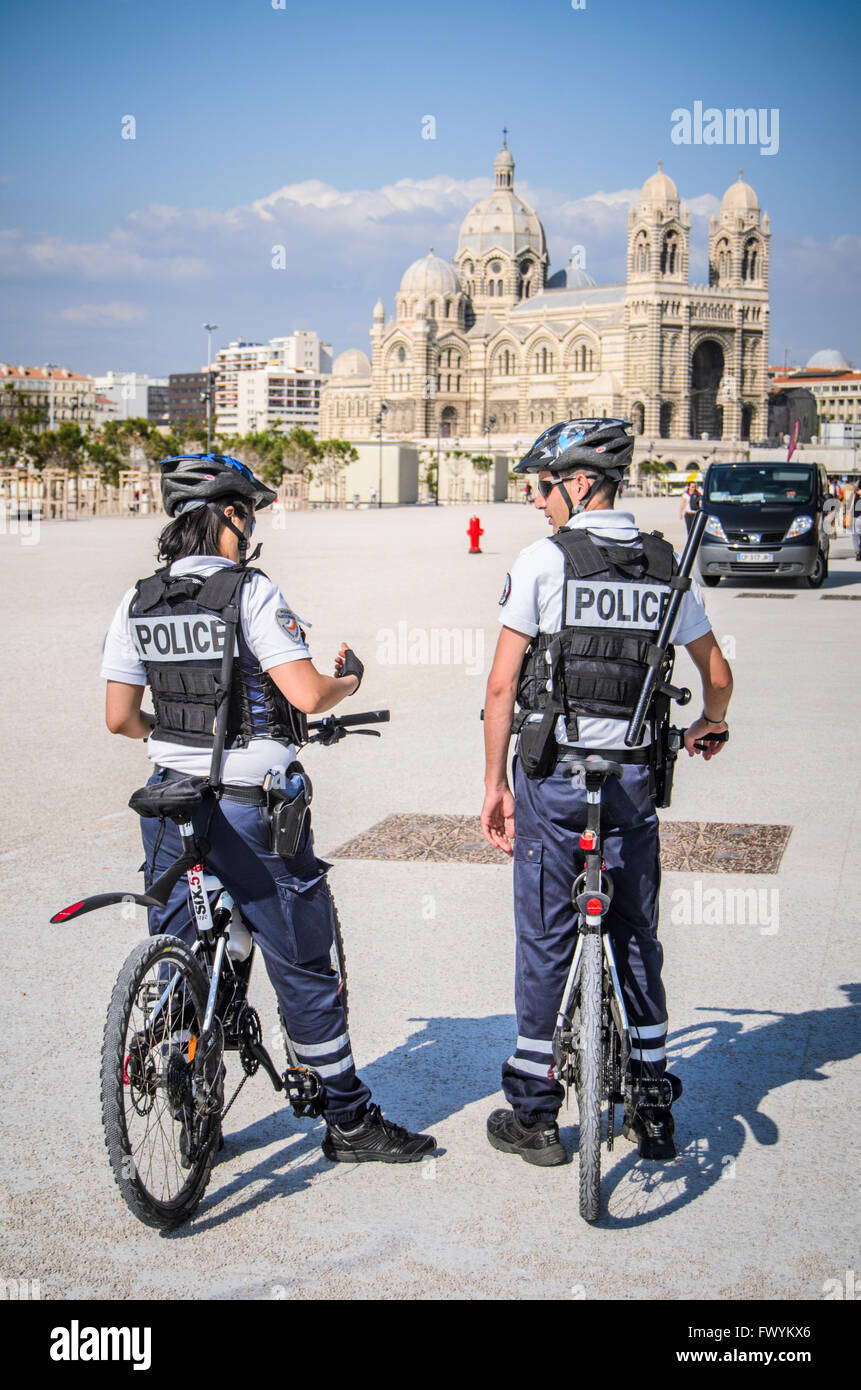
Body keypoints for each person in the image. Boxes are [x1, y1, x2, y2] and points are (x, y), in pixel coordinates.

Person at [100, 453, 435, 1164]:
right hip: (249, 805)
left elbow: (120, 718)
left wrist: (180, 734)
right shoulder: (248, 591)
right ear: (229, 515)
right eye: (247, 513)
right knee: (302, 957)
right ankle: (348, 1120)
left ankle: (191, 1111)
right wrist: (347, 681)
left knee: (182, 952)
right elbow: (306, 694)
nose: (251, 528)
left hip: (168, 800)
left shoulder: (138, 600)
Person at [481, 419, 733, 1165]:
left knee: (545, 939)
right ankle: (651, 1104)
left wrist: (493, 785)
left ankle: (535, 1116)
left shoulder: (543, 561)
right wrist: (709, 724)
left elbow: (500, 687)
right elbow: (717, 675)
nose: (536, 500)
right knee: (634, 936)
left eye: (543, 485)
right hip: (630, 781)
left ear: (581, 483)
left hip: (554, 781)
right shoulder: (664, 563)